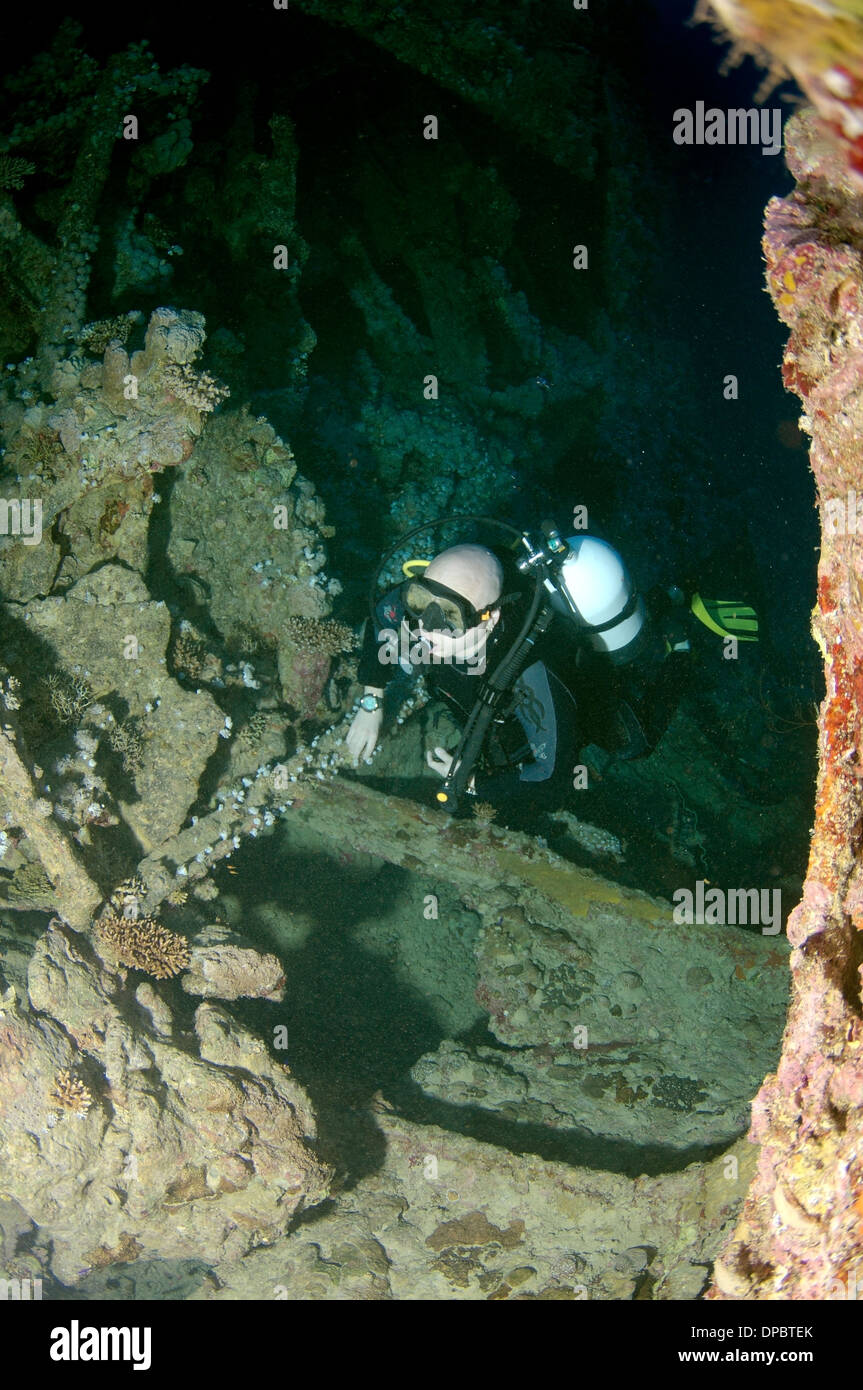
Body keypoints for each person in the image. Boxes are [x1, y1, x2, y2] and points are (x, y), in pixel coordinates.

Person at [346, 536, 674, 825]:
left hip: (575, 690)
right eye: (420, 600)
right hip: (477, 692)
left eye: (451, 615)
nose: (426, 626)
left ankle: (680, 642)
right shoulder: (414, 612)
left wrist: (474, 782)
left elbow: (552, 780)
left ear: (491, 619)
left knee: (632, 743)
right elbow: (381, 617)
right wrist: (371, 699)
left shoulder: (530, 669)